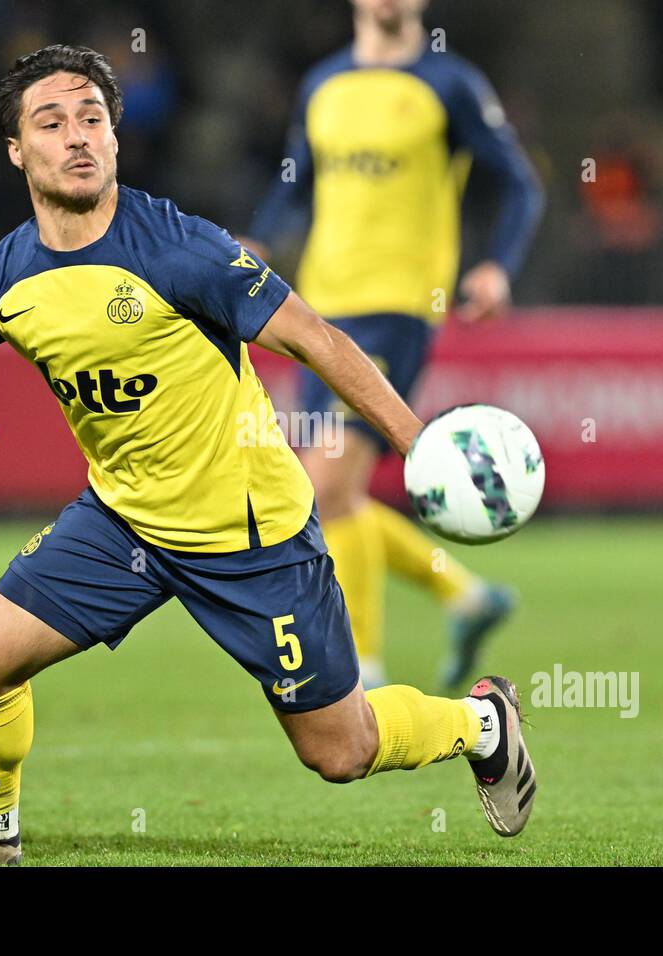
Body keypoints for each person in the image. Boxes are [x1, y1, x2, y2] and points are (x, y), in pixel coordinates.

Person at [0, 44, 536, 866]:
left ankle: (483, 722)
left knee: (340, 752)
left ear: (117, 139)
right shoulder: (1, 279)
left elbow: (320, 339)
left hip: (250, 531)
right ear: (16, 151)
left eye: (94, 119)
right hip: (122, 522)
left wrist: (416, 443)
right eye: (52, 123)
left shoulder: (180, 249)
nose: (79, 136)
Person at [245, 0, 545, 688]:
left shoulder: (449, 84)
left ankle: (364, 672)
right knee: (330, 494)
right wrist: (257, 240)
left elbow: (521, 185)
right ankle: (467, 597)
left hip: (400, 307)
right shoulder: (323, 84)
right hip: (318, 312)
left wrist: (497, 264)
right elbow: (296, 180)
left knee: (324, 483)